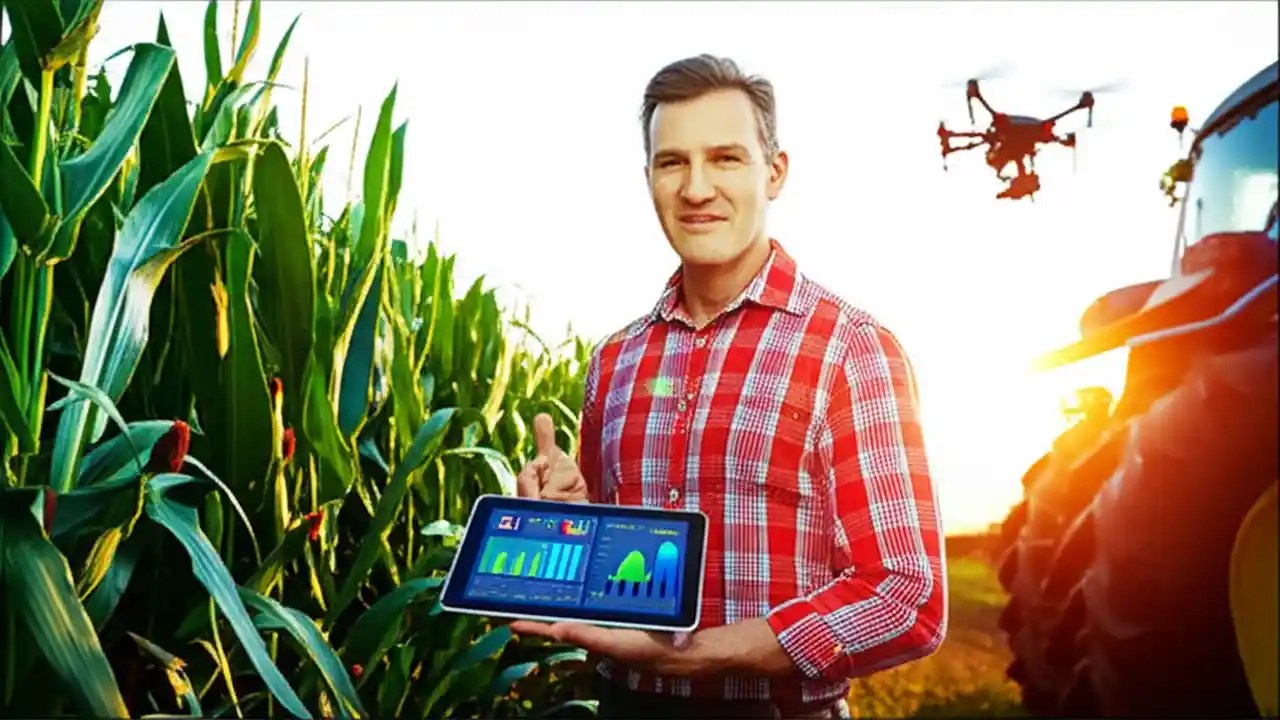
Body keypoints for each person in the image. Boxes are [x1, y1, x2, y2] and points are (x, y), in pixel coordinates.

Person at [511, 54, 947, 720]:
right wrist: (576, 519)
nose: (696, 188)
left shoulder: (851, 350)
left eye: (725, 158)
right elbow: (614, 578)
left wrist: (700, 653)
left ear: (774, 173)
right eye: (673, 162)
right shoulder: (614, 361)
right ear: (650, 178)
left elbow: (905, 598)